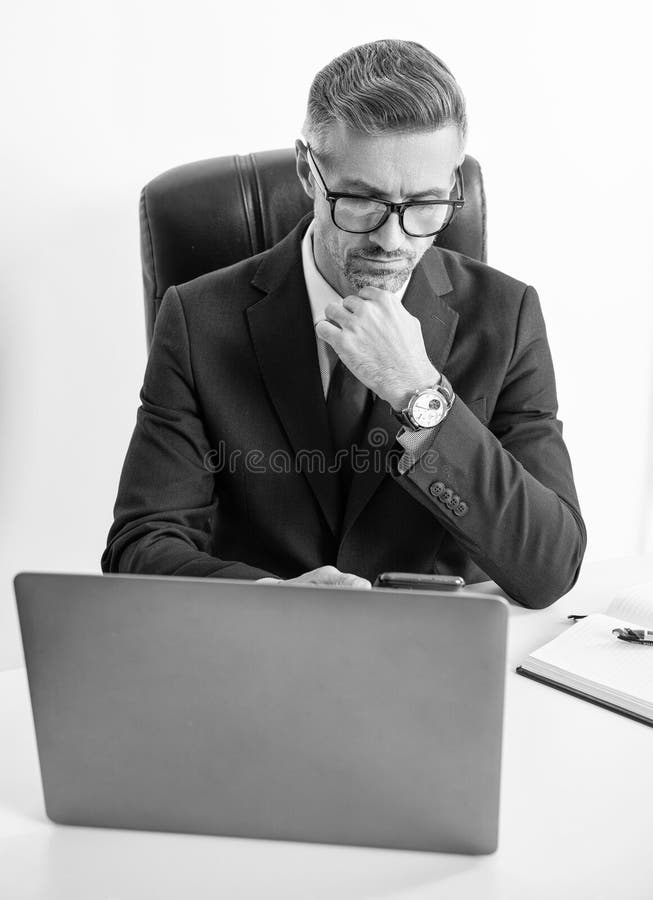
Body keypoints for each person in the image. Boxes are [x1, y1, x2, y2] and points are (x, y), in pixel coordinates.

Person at [101, 39, 586, 608]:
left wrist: (420, 393)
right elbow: (139, 545)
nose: (392, 239)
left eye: (425, 204)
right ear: (309, 171)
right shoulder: (196, 318)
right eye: (361, 200)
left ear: (454, 186)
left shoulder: (508, 315)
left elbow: (550, 569)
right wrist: (271, 597)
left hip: (433, 650)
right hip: (266, 650)